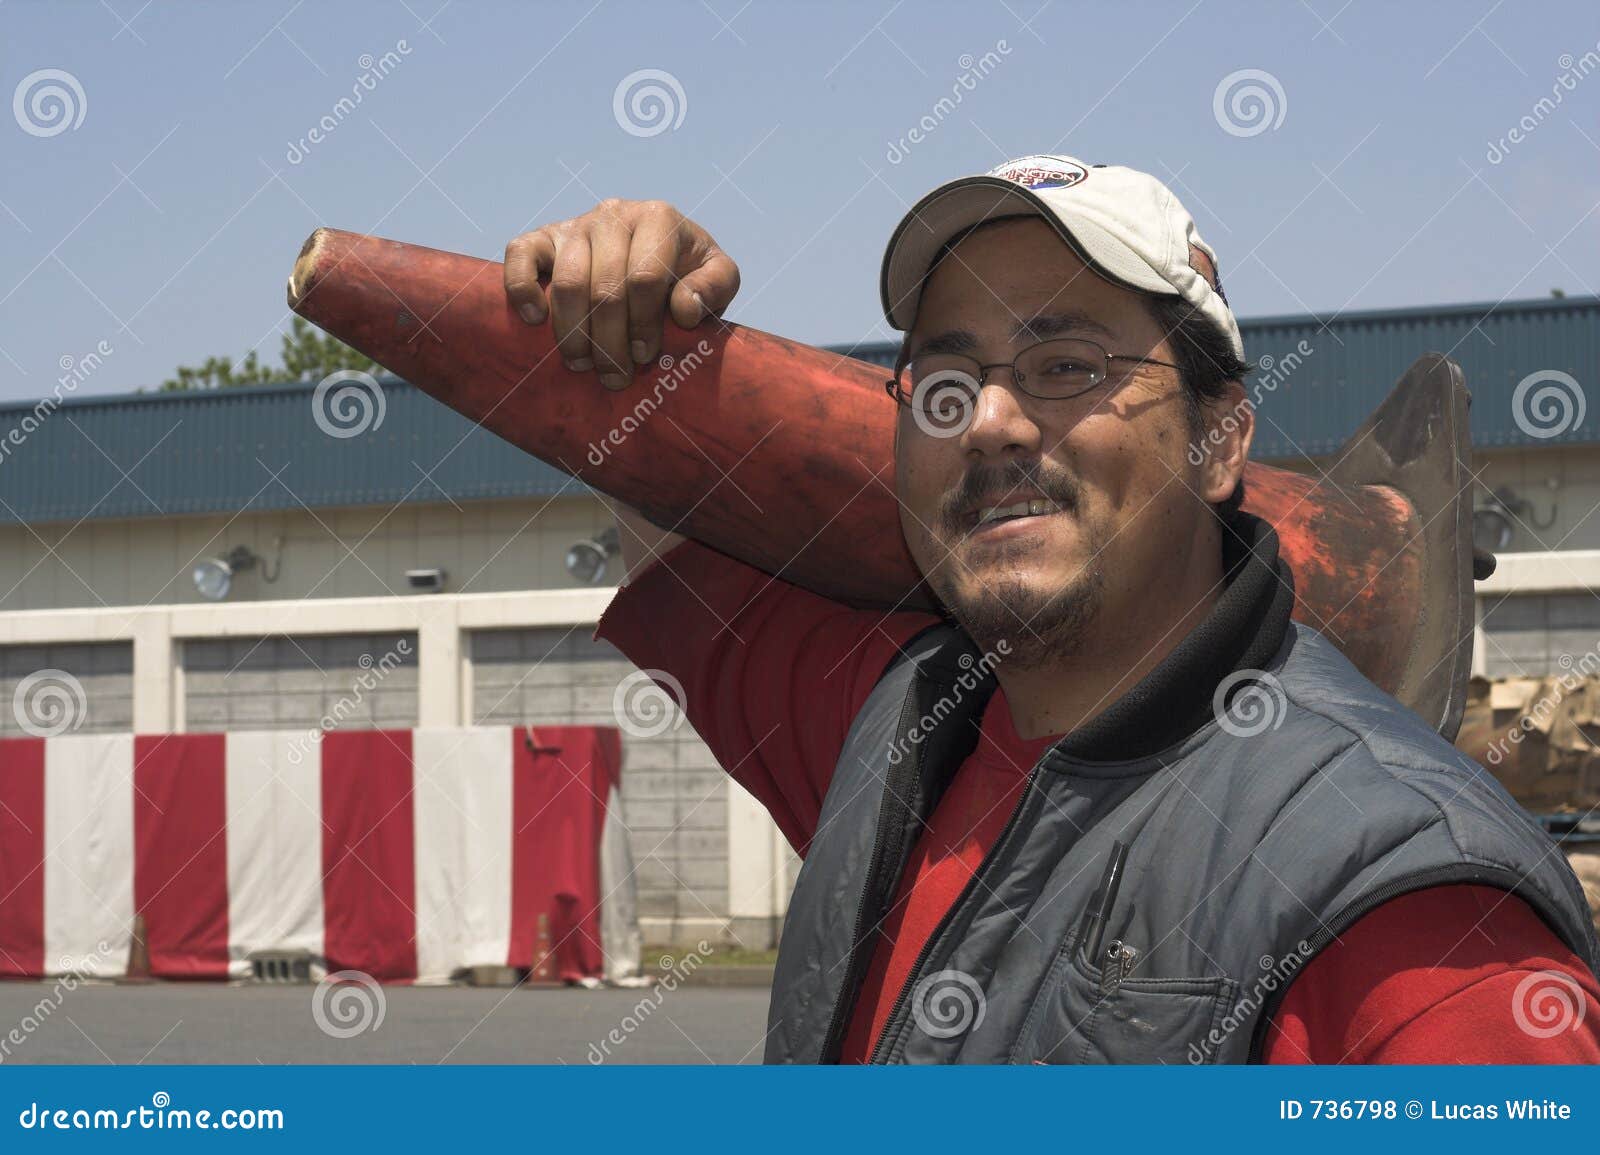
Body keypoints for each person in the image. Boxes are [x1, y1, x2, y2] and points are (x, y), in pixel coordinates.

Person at [503, 154, 1600, 1064]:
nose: (987, 422)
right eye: (943, 381)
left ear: (1220, 440)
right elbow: (685, 553)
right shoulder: (887, 733)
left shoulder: (1410, 909)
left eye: (1066, 364)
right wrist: (629, 334)